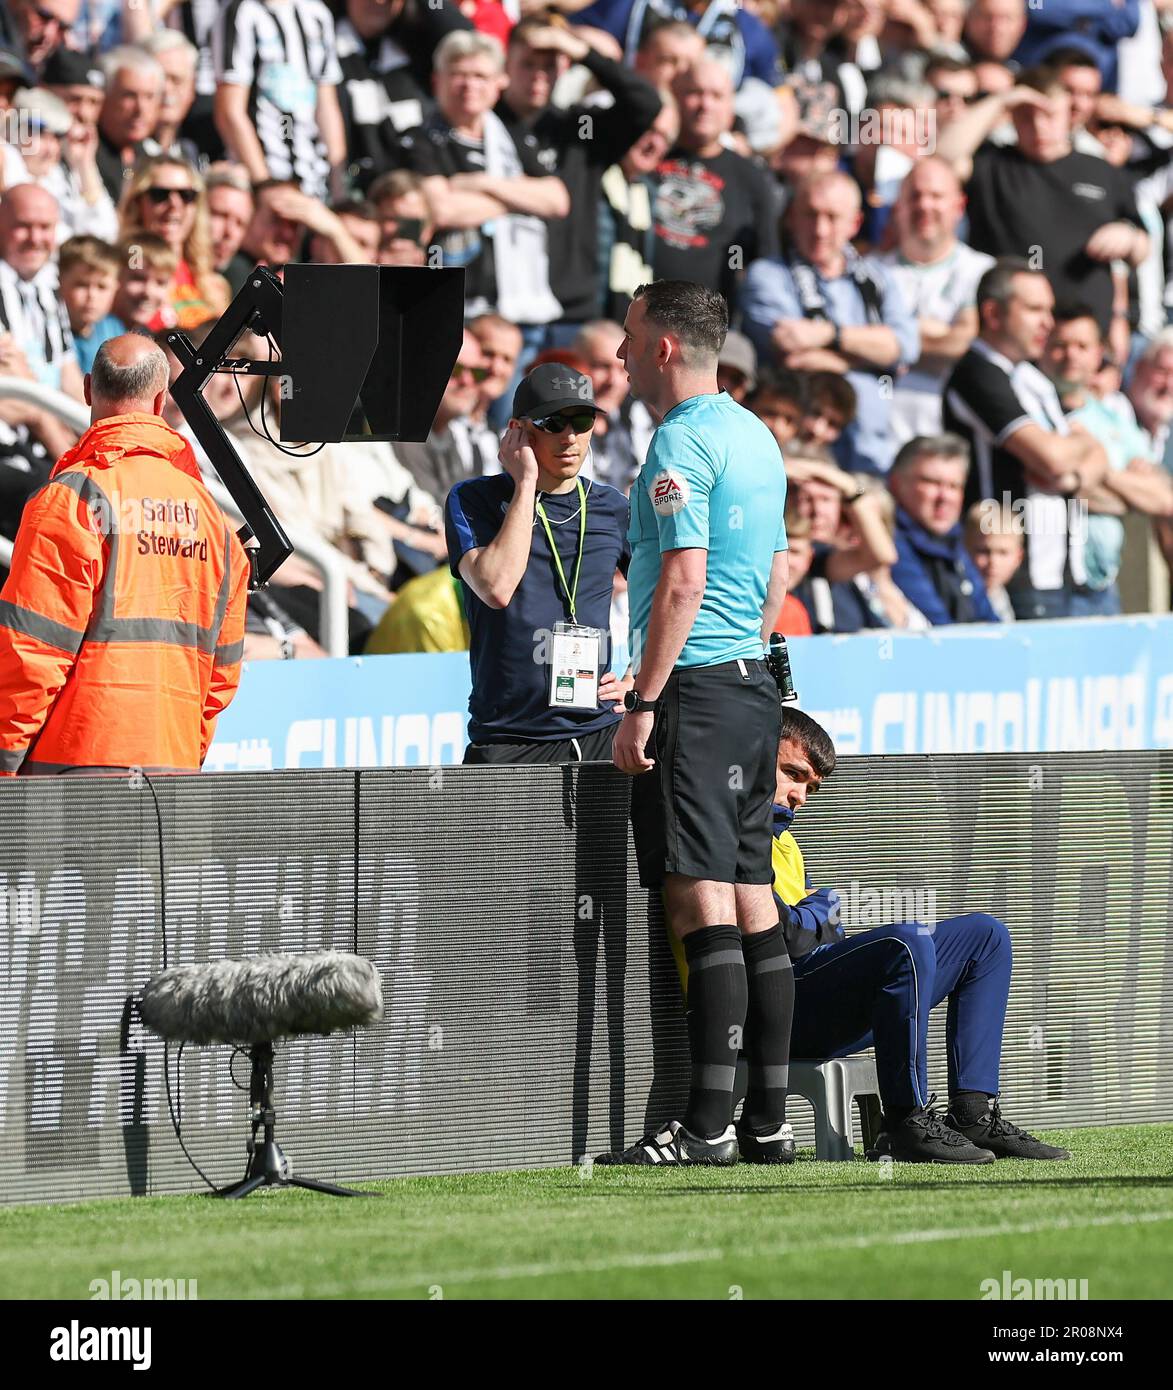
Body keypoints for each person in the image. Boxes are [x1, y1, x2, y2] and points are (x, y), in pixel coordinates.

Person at [601, 280, 791, 1167]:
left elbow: (682, 576)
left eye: (631, 339)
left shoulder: (679, 440)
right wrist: (742, 662)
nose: (621, 355)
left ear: (665, 347)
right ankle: (767, 1119)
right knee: (753, 892)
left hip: (699, 687)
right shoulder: (755, 434)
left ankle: (707, 1125)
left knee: (699, 893)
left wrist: (645, 698)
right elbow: (778, 572)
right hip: (750, 685)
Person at [772, 705, 1071, 1162]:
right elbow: (788, 935)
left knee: (985, 937)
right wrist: (818, 909)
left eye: (811, 787)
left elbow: (822, 924)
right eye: (793, 774)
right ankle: (907, 1121)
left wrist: (817, 912)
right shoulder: (729, 831)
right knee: (904, 941)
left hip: (814, 995)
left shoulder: (784, 840)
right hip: (773, 1014)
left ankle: (972, 1113)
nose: (801, 797)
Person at [0, 335, 250, 775]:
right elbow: (222, 672)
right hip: (170, 768)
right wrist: (182, 749)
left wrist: (4, 767)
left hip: (71, 771)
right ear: (160, 400)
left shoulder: (70, 500)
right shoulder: (212, 518)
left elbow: (31, 654)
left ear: (87, 390)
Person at [444, 362, 631, 763]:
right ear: (517, 430)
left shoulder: (611, 507)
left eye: (581, 421)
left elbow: (672, 596)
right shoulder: (472, 499)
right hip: (508, 735)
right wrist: (526, 482)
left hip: (599, 729)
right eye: (552, 423)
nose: (569, 436)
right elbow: (496, 588)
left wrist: (641, 676)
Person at [938, 64, 1149, 362]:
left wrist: (1129, 237)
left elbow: (1143, 246)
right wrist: (1001, 101)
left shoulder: (1101, 171)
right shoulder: (993, 166)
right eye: (1026, 116)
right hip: (1010, 346)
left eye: (1049, 115)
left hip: (1085, 349)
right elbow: (943, 159)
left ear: (1068, 114)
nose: (1038, 127)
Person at [943, 258, 1108, 619]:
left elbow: (1098, 455)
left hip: (1065, 574)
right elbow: (1051, 456)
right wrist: (1071, 452)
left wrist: (1073, 477)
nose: (1048, 323)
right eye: (1034, 309)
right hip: (1015, 577)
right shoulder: (978, 372)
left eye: (1049, 310)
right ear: (993, 313)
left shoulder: (1033, 378)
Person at [742, 170, 919, 476]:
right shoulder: (768, 274)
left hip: (872, 455)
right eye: (810, 215)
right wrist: (876, 363)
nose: (820, 230)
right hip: (800, 453)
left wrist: (828, 334)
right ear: (791, 217)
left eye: (832, 217)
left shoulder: (878, 279)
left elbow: (906, 347)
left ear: (855, 223)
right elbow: (793, 351)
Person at [876, 157, 994, 446]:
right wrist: (938, 333)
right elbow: (854, 346)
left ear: (959, 205)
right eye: (915, 196)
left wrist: (894, 340)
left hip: (956, 439)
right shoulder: (871, 272)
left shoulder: (982, 272)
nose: (924, 205)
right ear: (898, 207)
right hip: (882, 438)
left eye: (936, 196)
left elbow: (970, 347)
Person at [213, 0, 347, 200]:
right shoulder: (241, 13)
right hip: (264, 177)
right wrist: (265, 186)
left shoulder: (317, 14)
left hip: (315, 183)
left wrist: (339, 188)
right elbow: (230, 113)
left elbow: (327, 106)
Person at [887, 434, 1001, 625]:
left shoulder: (954, 541)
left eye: (954, 486)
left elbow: (988, 617)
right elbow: (939, 628)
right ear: (896, 484)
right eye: (931, 483)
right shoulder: (890, 542)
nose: (944, 497)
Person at [118, 157, 229, 330]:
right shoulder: (127, 266)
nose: (174, 204)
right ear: (138, 202)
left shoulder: (212, 284)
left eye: (186, 195)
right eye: (160, 194)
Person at [57, 235, 121, 374]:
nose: (91, 295)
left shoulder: (114, 330)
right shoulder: (51, 329)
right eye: (81, 285)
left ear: (116, 288)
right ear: (60, 283)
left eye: (102, 287)